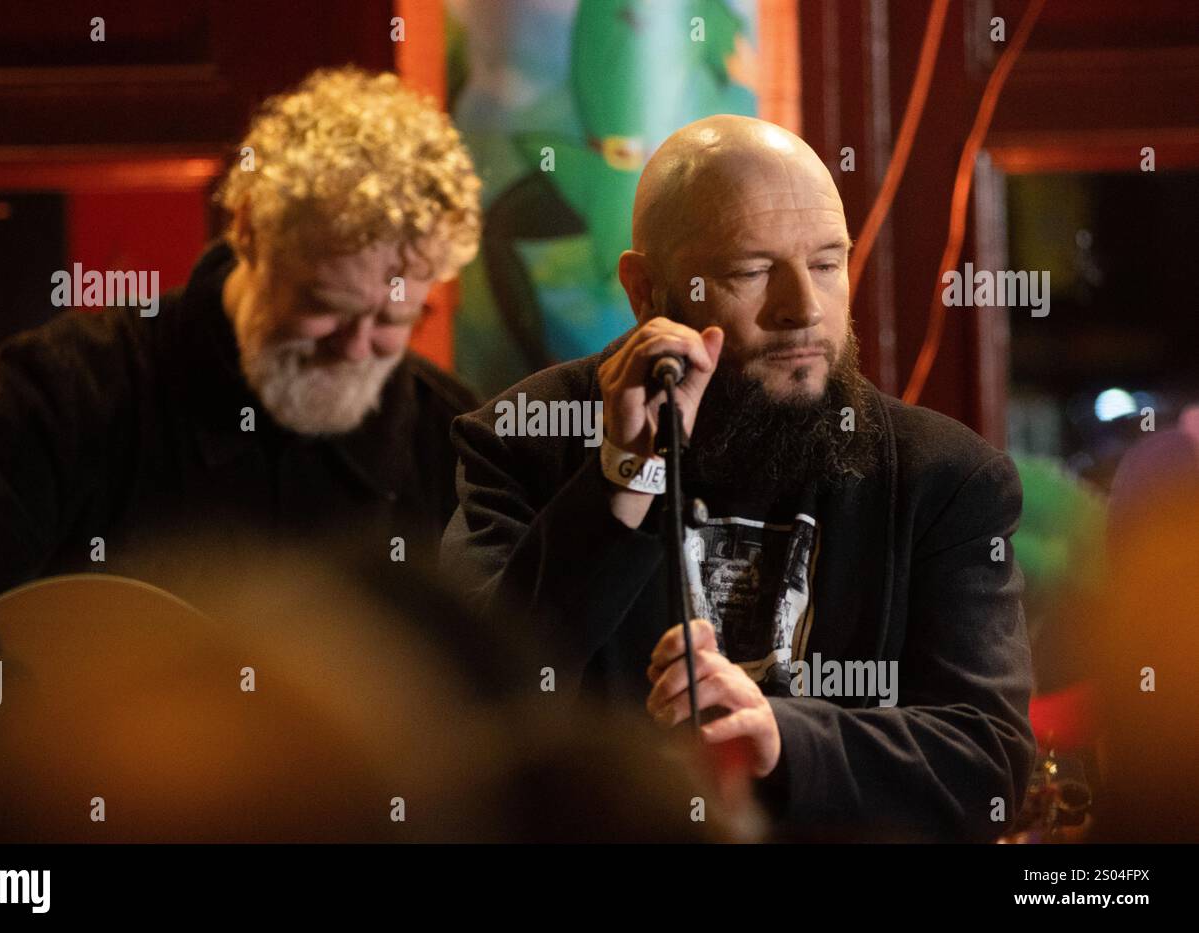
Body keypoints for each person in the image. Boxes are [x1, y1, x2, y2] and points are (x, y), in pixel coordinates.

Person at [442, 114, 1035, 842]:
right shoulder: (527, 438)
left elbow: (988, 759)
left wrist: (783, 741)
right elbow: (461, 708)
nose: (804, 309)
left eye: (826, 263)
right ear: (646, 288)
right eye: (752, 271)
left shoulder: (942, 477)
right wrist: (623, 479)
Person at [0, 67, 483, 656]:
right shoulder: (68, 389)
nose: (357, 348)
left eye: (394, 320)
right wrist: (47, 722)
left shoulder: (458, 449)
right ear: (250, 228)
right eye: (323, 306)